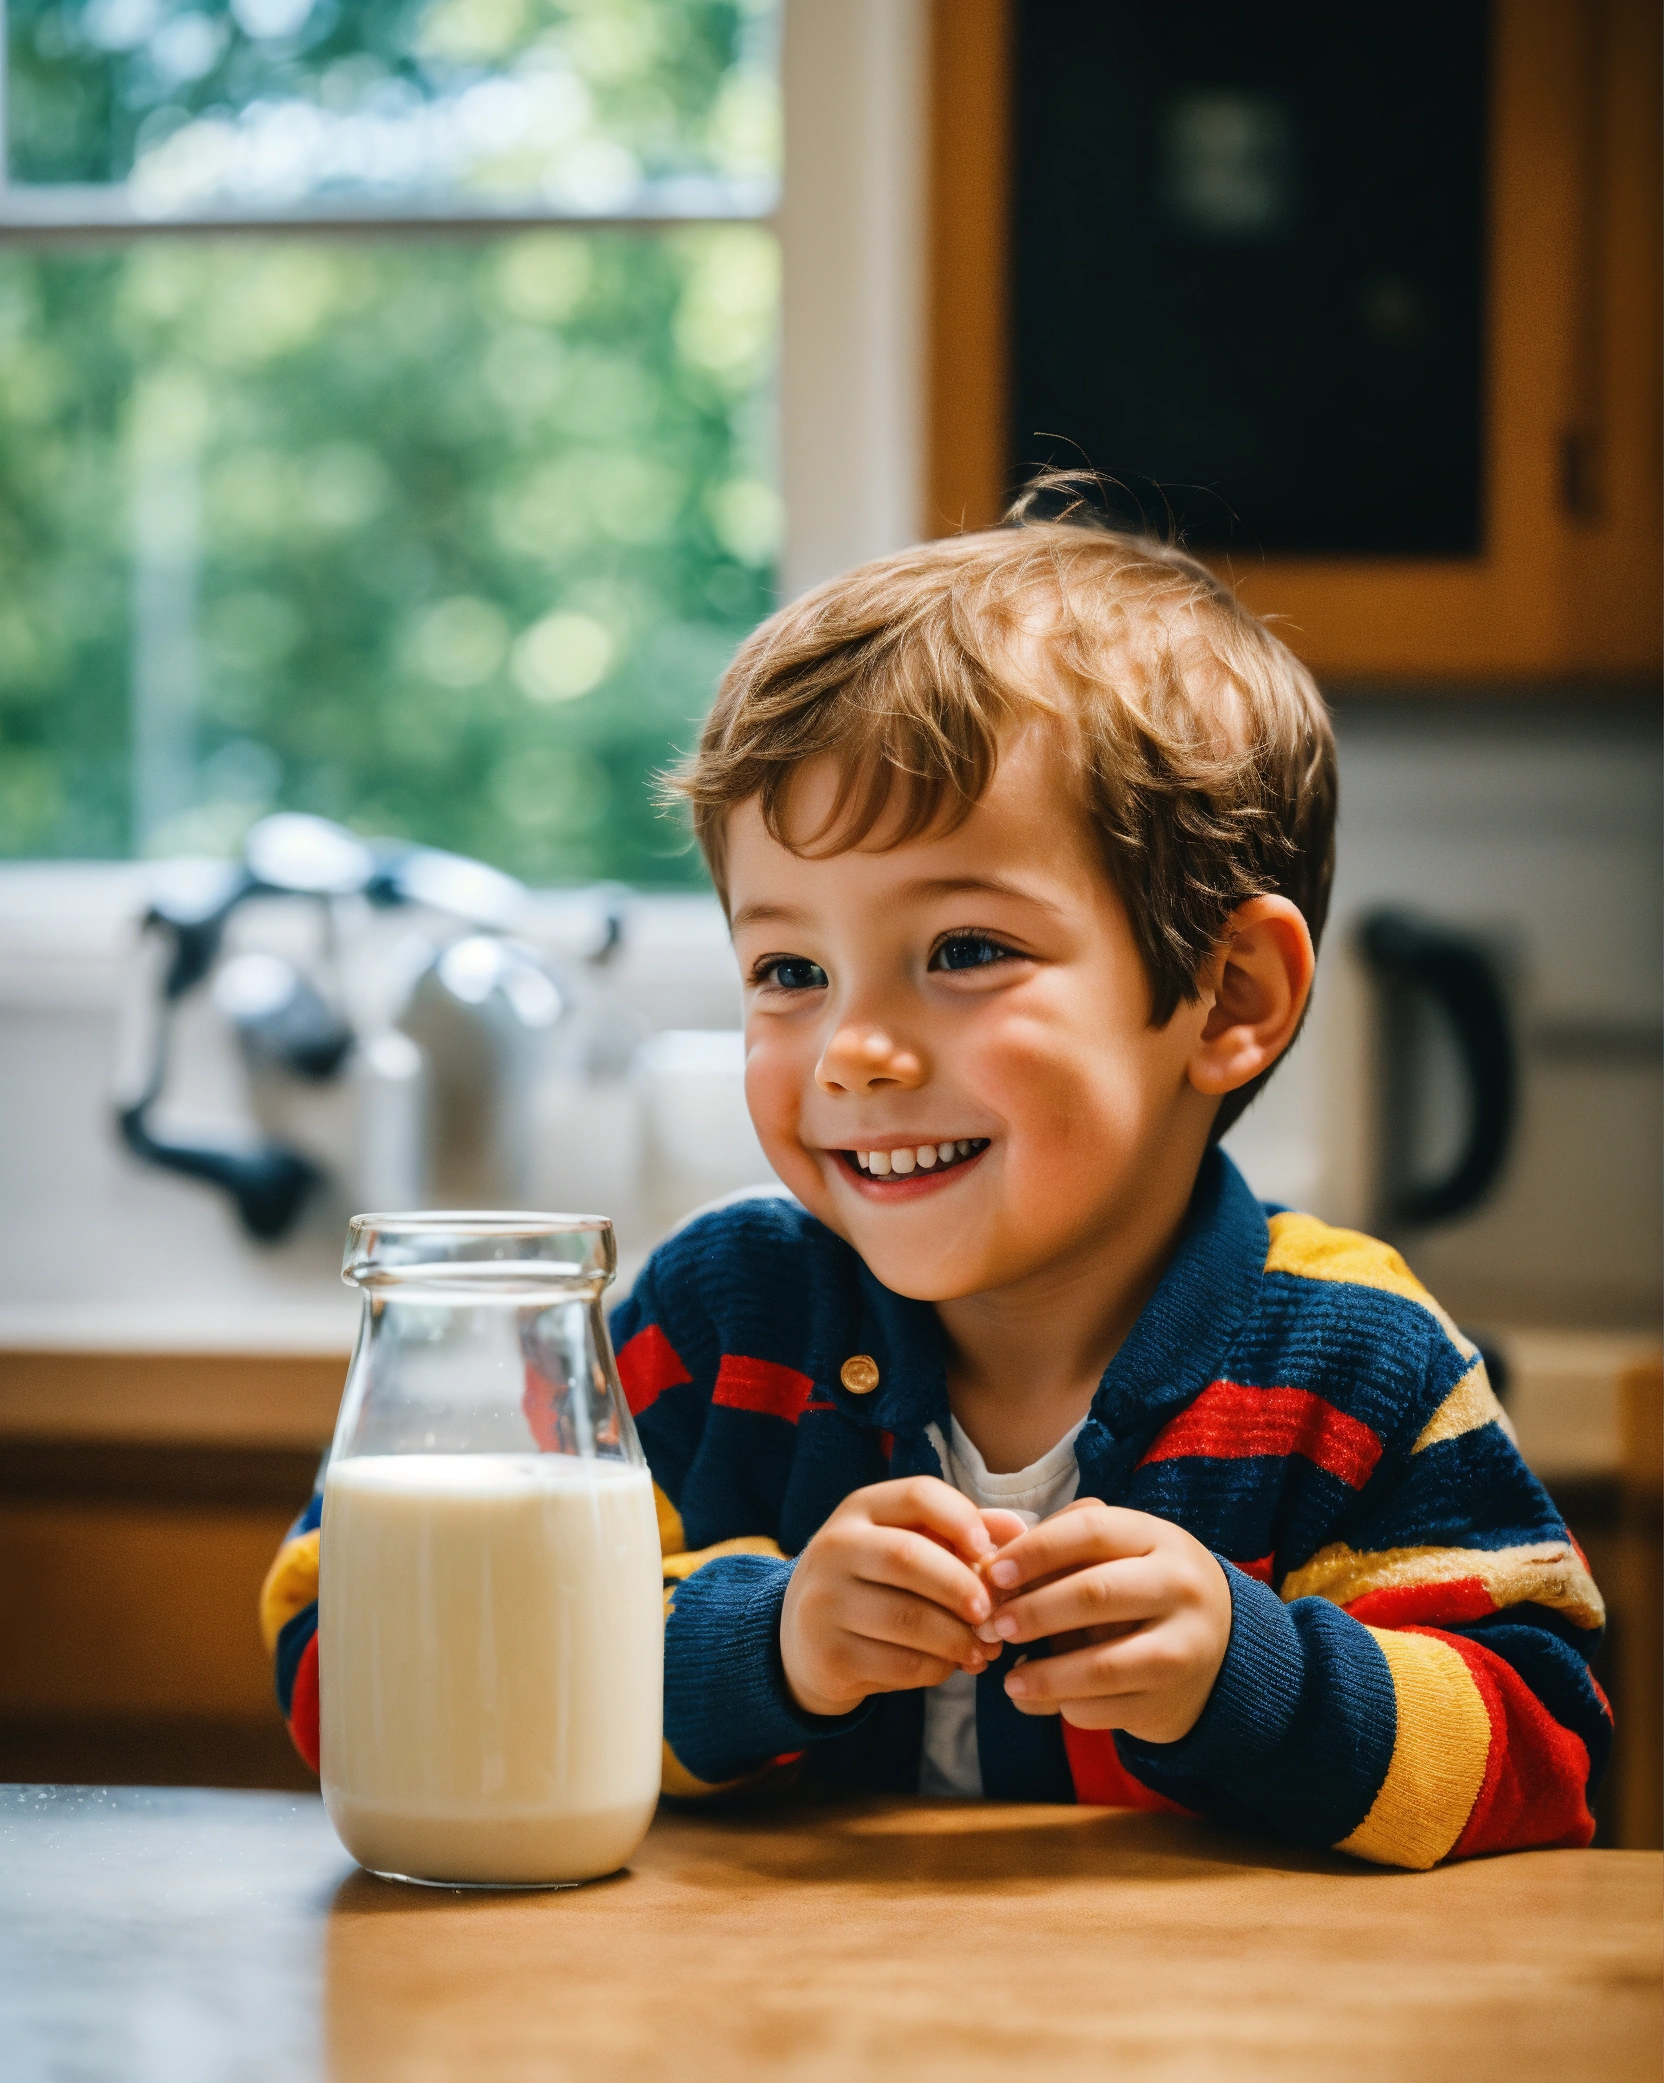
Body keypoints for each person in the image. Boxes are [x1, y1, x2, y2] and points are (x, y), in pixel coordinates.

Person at [262, 507, 1609, 1867]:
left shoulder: (1354, 1365)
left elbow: (1551, 1755)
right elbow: (344, 1665)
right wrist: (772, 1644)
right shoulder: (715, 1327)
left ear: (1227, 998)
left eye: (963, 948)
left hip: (1206, 2065)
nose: (853, 1049)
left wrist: (1244, 1674)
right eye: (791, 972)